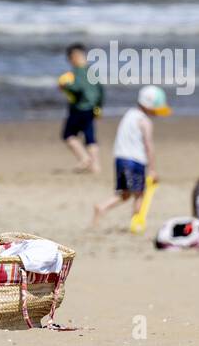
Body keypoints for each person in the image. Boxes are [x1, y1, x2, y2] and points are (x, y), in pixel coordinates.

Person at [92, 85, 170, 226]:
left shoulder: (129, 114)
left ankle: (102, 207)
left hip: (120, 158)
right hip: (135, 161)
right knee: (140, 193)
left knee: (126, 193)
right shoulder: (144, 121)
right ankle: (136, 221)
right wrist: (152, 169)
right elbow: (148, 146)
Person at [59, 43, 104, 174]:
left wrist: (65, 86)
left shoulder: (76, 72)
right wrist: (99, 107)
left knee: (68, 135)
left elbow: (77, 88)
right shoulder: (92, 72)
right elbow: (101, 91)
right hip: (92, 109)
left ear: (73, 58)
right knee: (90, 137)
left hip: (79, 109)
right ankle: (96, 166)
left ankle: (84, 158)